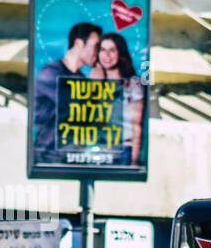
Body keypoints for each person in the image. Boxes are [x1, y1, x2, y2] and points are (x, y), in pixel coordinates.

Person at [32, 21, 101, 163]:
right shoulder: (51, 73)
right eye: (96, 46)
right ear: (78, 44)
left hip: (72, 158)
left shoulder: (82, 80)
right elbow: (71, 105)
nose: (98, 53)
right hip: (47, 158)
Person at [89, 32, 146, 165]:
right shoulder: (95, 80)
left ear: (120, 53)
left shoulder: (132, 83)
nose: (106, 55)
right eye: (102, 50)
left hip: (123, 150)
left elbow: (136, 126)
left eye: (112, 50)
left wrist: (134, 160)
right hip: (97, 148)